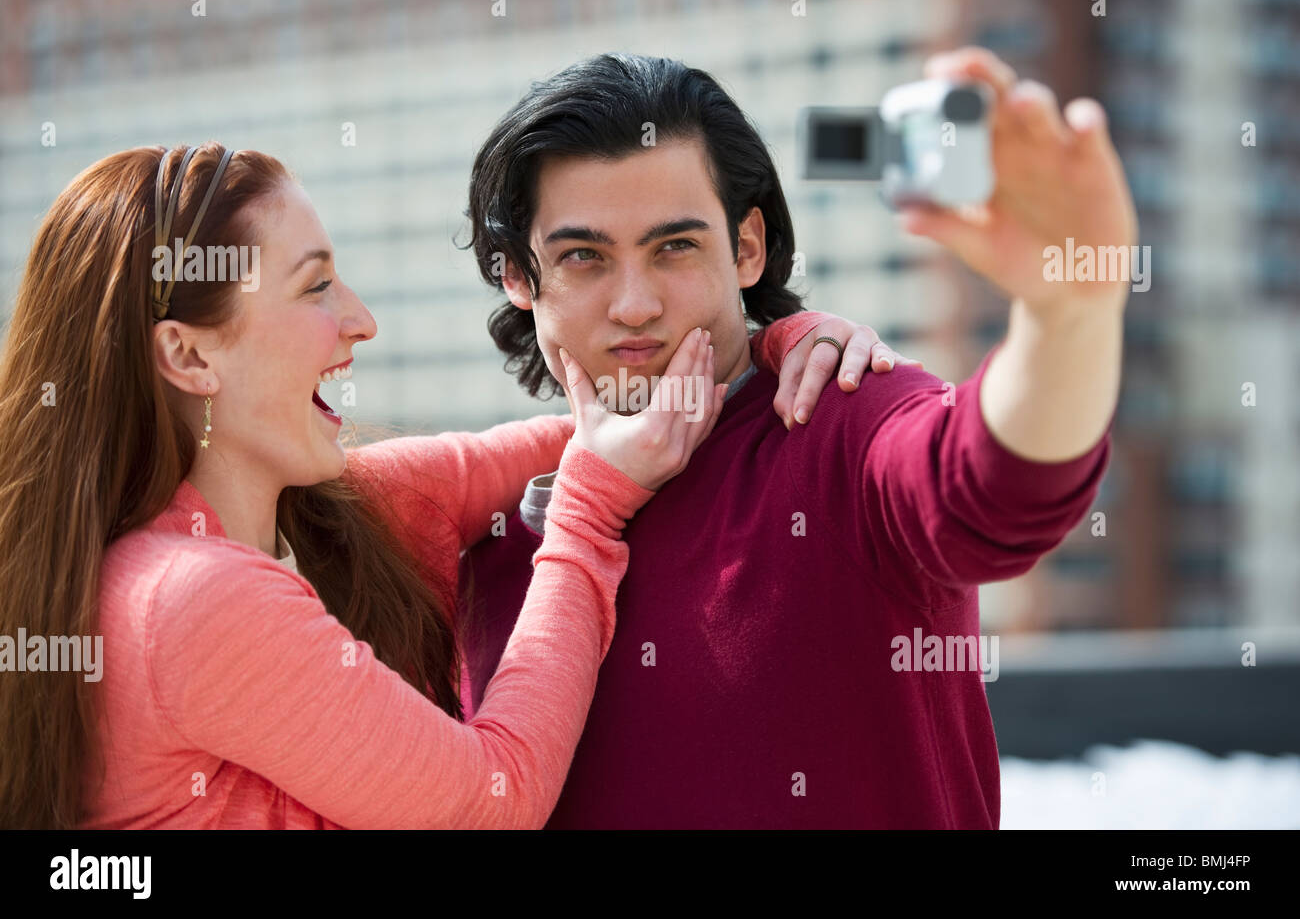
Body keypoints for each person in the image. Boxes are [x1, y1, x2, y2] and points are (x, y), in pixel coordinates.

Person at [0, 141, 896, 829]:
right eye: (316, 290)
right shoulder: (192, 601)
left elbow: (614, 432)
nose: (361, 321)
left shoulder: (322, 517)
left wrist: (778, 339)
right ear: (188, 355)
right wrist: (585, 516)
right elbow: (493, 800)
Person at [459, 47, 1133, 827]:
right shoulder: (487, 525)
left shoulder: (839, 414)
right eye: (584, 257)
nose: (635, 304)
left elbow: (990, 487)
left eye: (674, 246)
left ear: (745, 247)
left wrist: (1067, 315)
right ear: (516, 275)